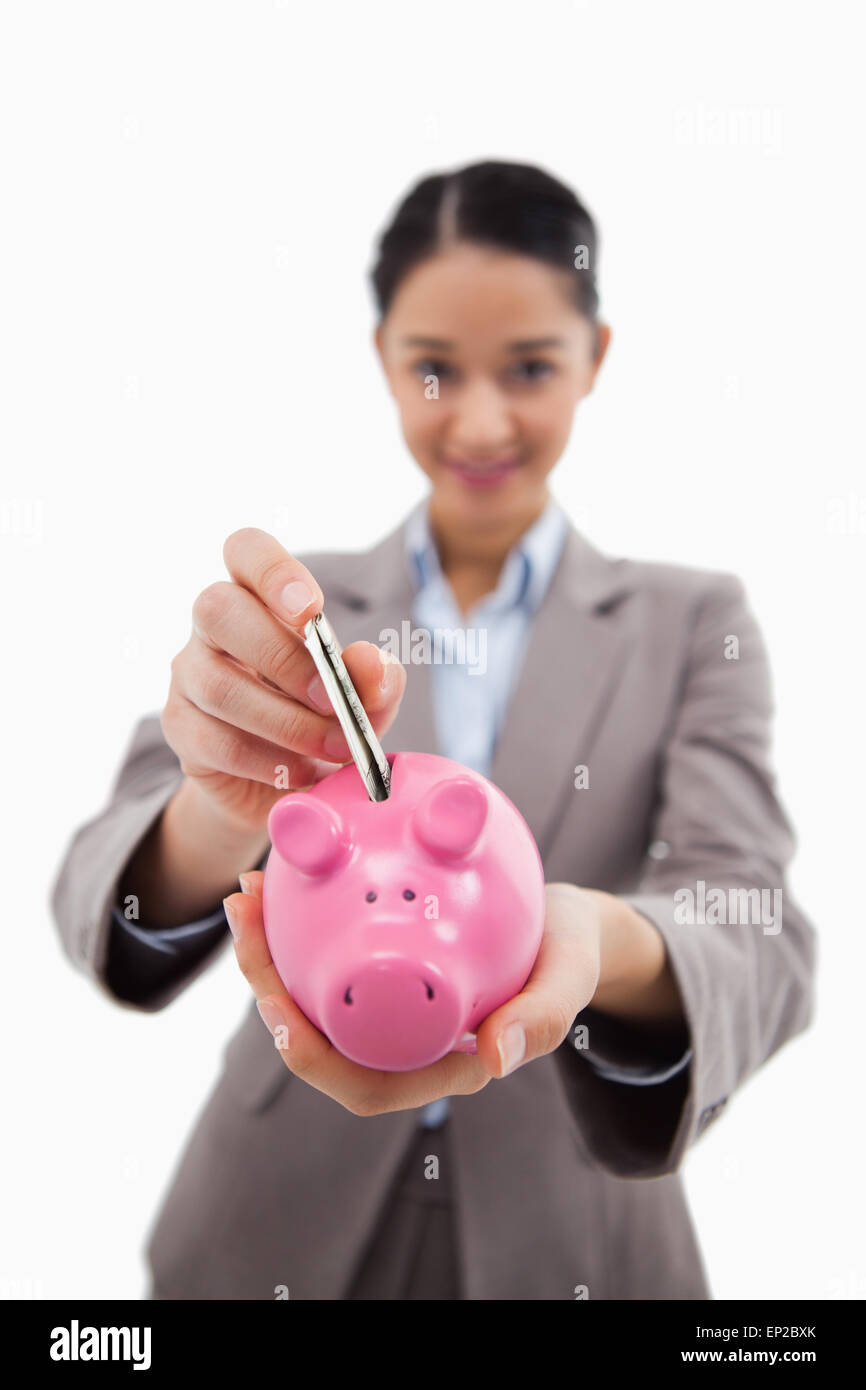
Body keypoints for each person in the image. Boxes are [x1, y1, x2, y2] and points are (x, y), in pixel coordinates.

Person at [51, 160, 815, 1300]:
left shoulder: (690, 620)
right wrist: (219, 810)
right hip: (268, 1223)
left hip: (571, 1233)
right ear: (381, 361)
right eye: (433, 369)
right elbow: (96, 902)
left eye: (529, 367)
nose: (479, 419)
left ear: (595, 357)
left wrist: (598, 942)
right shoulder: (299, 618)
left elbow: (753, 929)